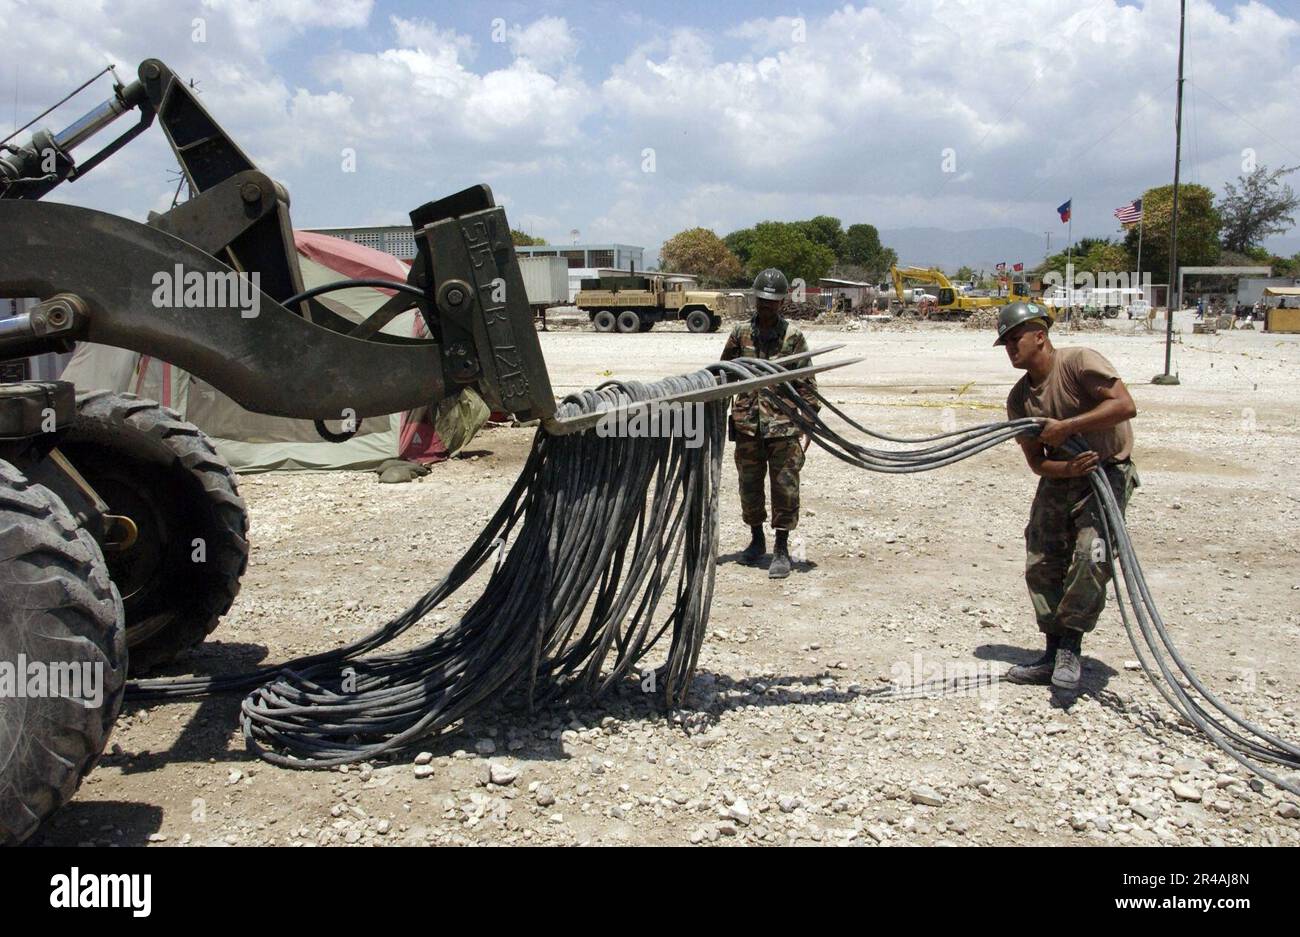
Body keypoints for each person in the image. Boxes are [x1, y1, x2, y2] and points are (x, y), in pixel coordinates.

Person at [994, 302, 1140, 691]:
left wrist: (1068, 427)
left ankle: (1071, 645)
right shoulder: (1019, 400)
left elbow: (1125, 406)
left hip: (1105, 473)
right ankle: (1052, 649)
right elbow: (1037, 463)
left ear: (1040, 335)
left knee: (1092, 555)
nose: (1010, 348)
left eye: (1015, 339)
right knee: (1041, 559)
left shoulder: (1078, 363)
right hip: (1061, 477)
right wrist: (1067, 467)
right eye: (1005, 342)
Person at [721, 268, 818, 579]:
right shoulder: (739, 334)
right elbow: (722, 375)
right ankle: (756, 539)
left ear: (781, 303)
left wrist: (808, 425)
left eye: (772, 301)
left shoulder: (793, 337)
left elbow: (807, 384)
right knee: (749, 487)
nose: (766, 306)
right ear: (755, 299)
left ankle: (781, 548)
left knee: (785, 488)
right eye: (762, 300)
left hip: (783, 427)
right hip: (748, 424)